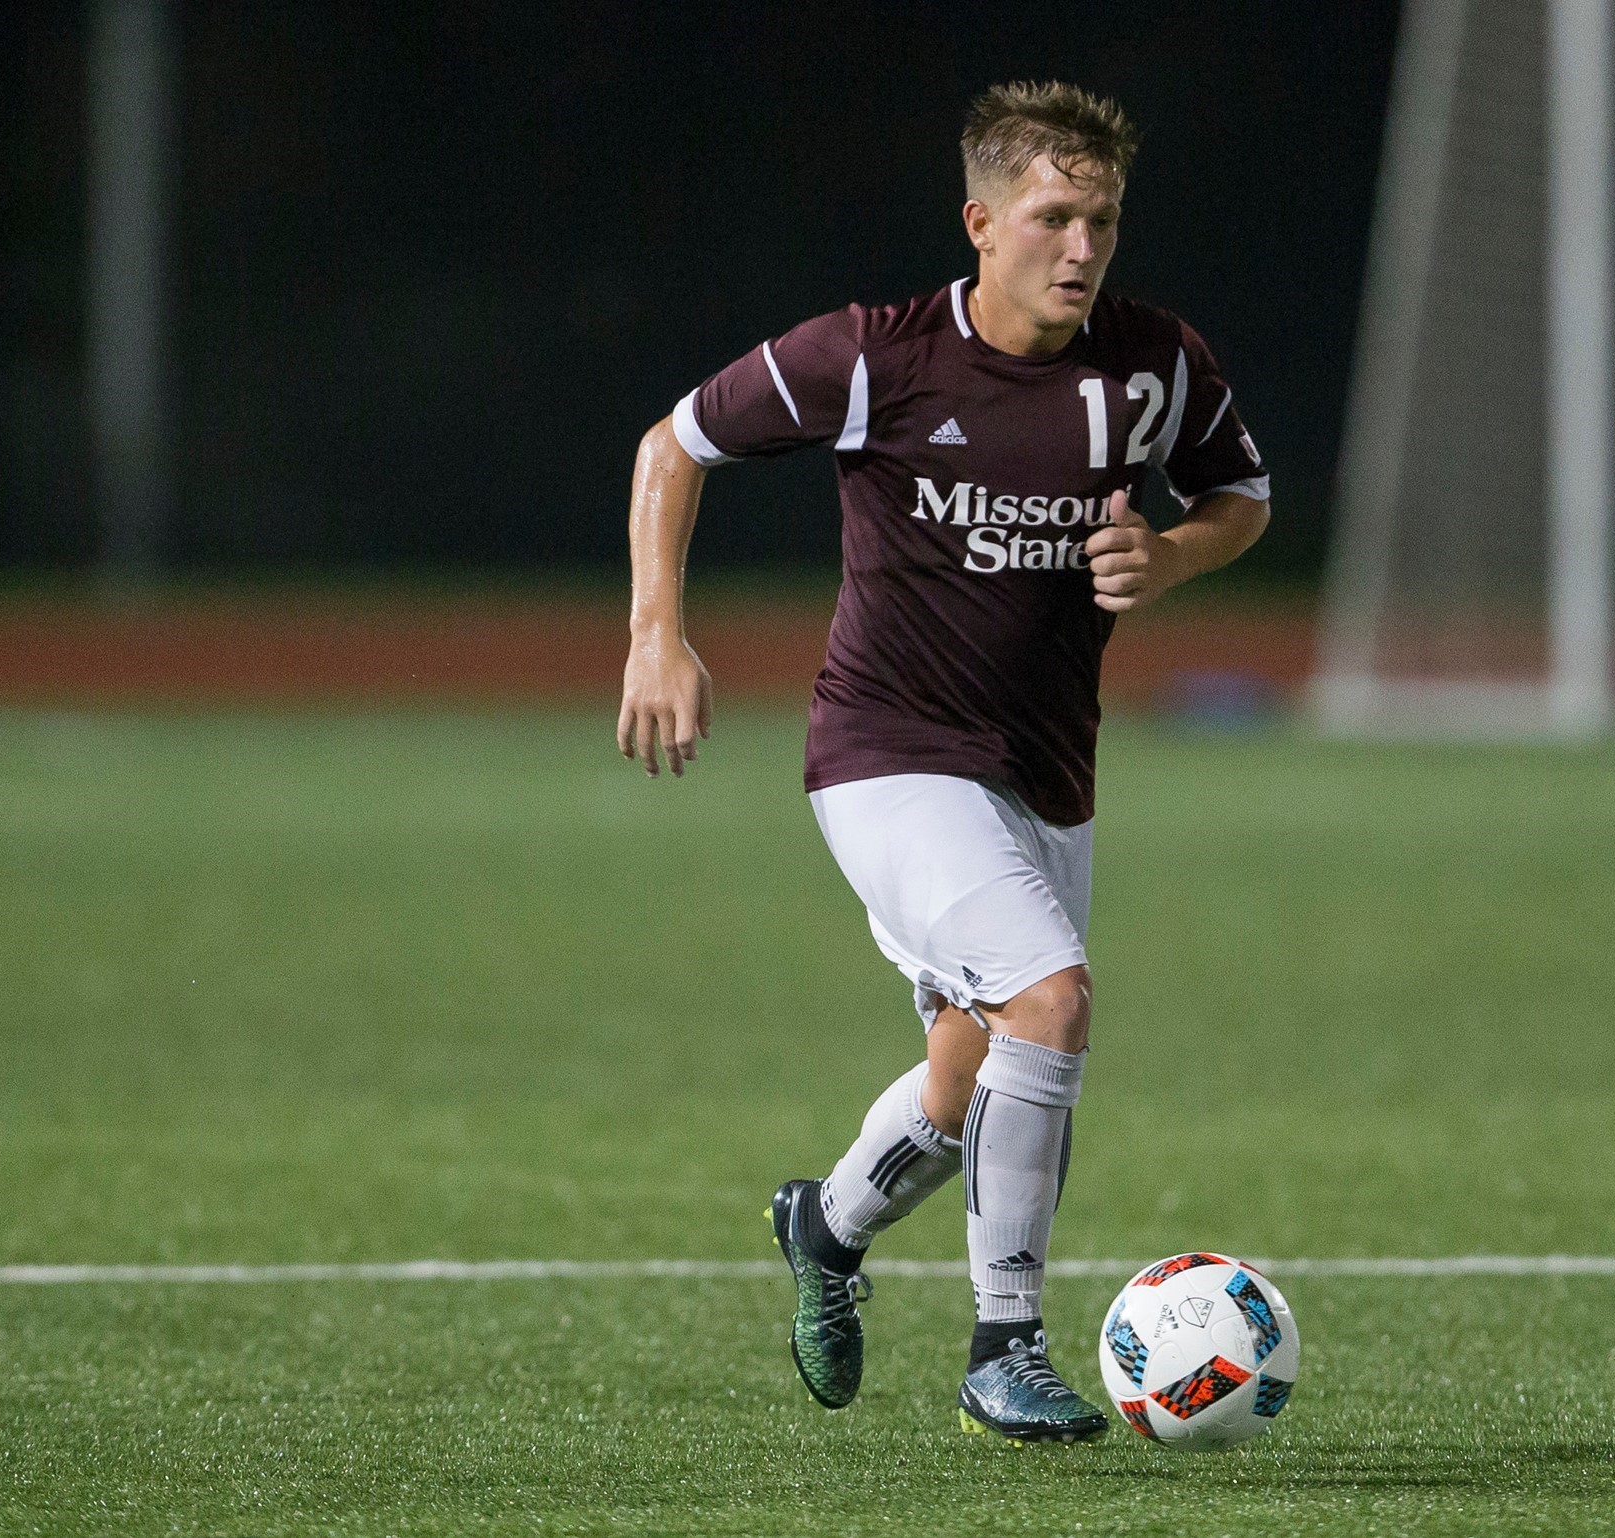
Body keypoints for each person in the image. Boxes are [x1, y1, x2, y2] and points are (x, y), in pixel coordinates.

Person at [615, 80, 1270, 1442]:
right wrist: (655, 633)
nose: (1081, 247)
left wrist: (1168, 555)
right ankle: (1004, 1342)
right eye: (1051, 217)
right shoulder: (873, 357)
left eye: (1100, 218)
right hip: (886, 753)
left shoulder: (1152, 366)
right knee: (1051, 999)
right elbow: (672, 443)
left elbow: (1241, 498)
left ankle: (827, 1223)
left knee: (968, 1078)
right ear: (981, 221)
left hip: (1044, 772)